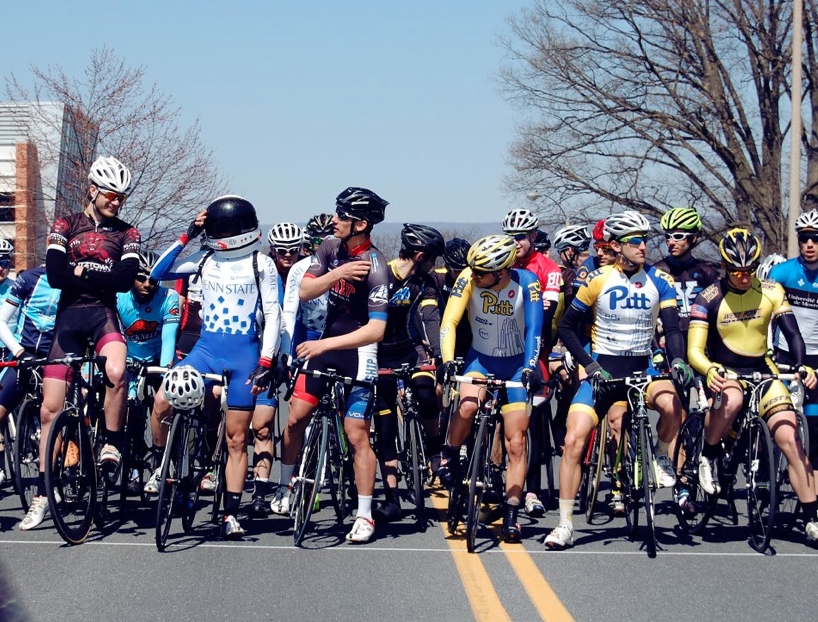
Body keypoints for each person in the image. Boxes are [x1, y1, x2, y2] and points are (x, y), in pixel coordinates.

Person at [545, 210, 690, 549]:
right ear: (616, 246)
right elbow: (566, 327)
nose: (644, 247)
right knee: (574, 439)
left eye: (646, 240)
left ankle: (660, 453)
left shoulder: (660, 280)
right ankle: (565, 524)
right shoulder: (598, 279)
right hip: (604, 372)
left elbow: (672, 328)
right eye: (636, 241)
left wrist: (678, 359)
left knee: (673, 406)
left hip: (642, 369)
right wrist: (589, 365)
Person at [152, 195, 280, 539]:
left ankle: (230, 514)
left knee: (237, 439)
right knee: (162, 401)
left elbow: (273, 314)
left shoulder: (262, 263)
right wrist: (187, 234)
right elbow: (158, 272)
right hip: (206, 350)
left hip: (245, 357)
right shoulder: (205, 258)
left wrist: (266, 361)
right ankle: (163, 466)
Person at [271, 187, 389, 544]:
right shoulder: (330, 247)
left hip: (358, 352)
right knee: (295, 418)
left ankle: (365, 516)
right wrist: (339, 274)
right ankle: (286, 485)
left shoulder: (377, 266)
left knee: (356, 434)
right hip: (324, 347)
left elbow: (376, 330)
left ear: (360, 224)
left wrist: (324, 344)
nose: (334, 219)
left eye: (341, 215)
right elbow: (305, 291)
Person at [688, 228, 818, 542]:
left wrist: (801, 364)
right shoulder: (707, 298)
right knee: (732, 401)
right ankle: (708, 453)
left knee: (790, 439)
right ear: (724, 267)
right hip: (725, 370)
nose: (745, 277)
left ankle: (812, 518)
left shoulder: (772, 290)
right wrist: (709, 369)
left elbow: (792, 333)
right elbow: (694, 350)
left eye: (750, 270)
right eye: (737, 272)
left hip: (762, 369)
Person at [32, 156, 140, 531]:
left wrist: (81, 271)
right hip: (69, 320)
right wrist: (97, 274)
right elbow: (55, 275)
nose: (116, 202)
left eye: (122, 197)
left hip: (102, 316)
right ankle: (42, 495)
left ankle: (111, 441)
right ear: (93, 190)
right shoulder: (66, 224)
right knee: (49, 410)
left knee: (116, 371)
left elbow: (124, 281)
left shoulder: (127, 233)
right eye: (111, 195)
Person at [439, 235, 544, 542]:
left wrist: (530, 367)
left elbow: (534, 329)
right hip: (480, 360)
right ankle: (450, 455)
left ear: (502, 271)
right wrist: (448, 360)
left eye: (481, 272)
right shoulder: (468, 277)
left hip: (516, 364)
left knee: (516, 443)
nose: (473, 275)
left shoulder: (528, 283)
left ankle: (511, 513)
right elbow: (449, 322)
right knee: (468, 406)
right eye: (472, 269)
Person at [372, 223, 444, 523]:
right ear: (419, 256)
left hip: (411, 349)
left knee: (427, 394)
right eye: (432, 259)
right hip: (378, 352)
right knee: (385, 425)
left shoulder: (426, 280)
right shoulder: (380, 275)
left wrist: (439, 354)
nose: (435, 265)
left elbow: (430, 317)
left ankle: (434, 450)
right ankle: (391, 498)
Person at [501, 208, 562, 515]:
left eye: (521, 237)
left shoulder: (548, 268)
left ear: (533, 237)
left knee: (533, 421)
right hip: (500, 349)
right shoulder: (500, 263)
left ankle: (533, 491)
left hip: (534, 349)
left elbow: (545, 315)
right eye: (510, 237)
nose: (516, 243)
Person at [248, 222, 302, 518]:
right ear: (272, 250)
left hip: (297, 352)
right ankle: (259, 491)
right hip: (265, 352)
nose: (288, 255)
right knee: (263, 424)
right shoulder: (262, 271)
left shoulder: (306, 271)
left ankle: (293, 480)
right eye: (282, 250)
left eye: (294, 250)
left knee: (296, 419)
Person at [116, 250, 180, 495]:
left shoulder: (169, 297)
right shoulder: (119, 297)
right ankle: (133, 464)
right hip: (130, 360)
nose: (147, 284)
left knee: (163, 406)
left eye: (153, 279)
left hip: (158, 359)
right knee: (130, 413)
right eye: (141, 278)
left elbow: (169, 338)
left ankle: (162, 460)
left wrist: (163, 372)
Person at [0, 259, 60, 501]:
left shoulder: (76, 282)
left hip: (57, 357)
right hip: (25, 354)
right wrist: (19, 352)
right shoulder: (29, 279)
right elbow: (1, 321)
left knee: (57, 418)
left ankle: (53, 480)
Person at [769, 213, 818, 492]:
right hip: (785, 356)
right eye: (804, 238)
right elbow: (765, 315)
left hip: (816, 359)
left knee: (815, 426)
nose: (809, 244)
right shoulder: (783, 273)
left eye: (816, 239)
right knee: (778, 417)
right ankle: (763, 470)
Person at [652, 207, 719, 357]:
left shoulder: (707, 273)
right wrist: (656, 350)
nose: (670, 242)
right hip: (669, 346)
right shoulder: (656, 272)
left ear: (693, 238)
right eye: (668, 236)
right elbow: (648, 317)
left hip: (703, 345)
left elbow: (718, 314)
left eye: (678, 236)